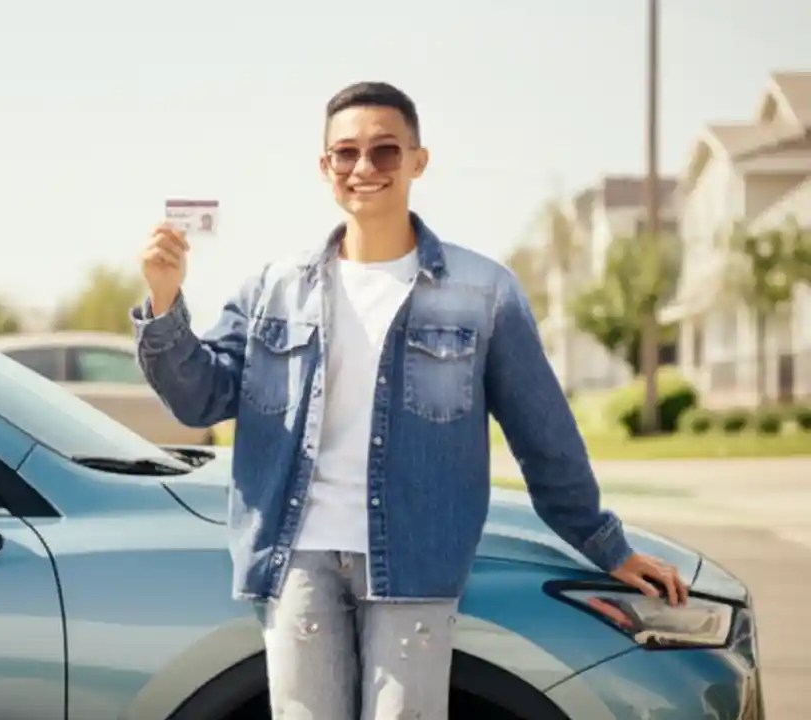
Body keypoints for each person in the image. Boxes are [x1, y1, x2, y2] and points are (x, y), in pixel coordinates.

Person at [130, 81, 689, 719]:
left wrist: (605, 546)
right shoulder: (274, 289)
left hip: (416, 563)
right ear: (325, 168)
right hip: (298, 560)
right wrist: (166, 301)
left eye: (385, 152)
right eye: (346, 154)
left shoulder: (484, 293)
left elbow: (545, 436)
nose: (364, 168)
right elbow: (201, 399)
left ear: (418, 162)